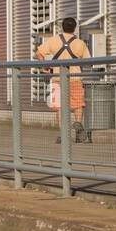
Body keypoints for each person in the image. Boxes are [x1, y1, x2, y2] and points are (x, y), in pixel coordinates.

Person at [35, 16, 91, 144]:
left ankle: (63, 134)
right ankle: (77, 126)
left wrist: (45, 66)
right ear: (75, 28)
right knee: (78, 104)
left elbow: (39, 53)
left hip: (57, 78)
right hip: (75, 77)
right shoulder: (80, 43)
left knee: (59, 106)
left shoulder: (53, 40)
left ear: (62, 27)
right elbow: (87, 61)